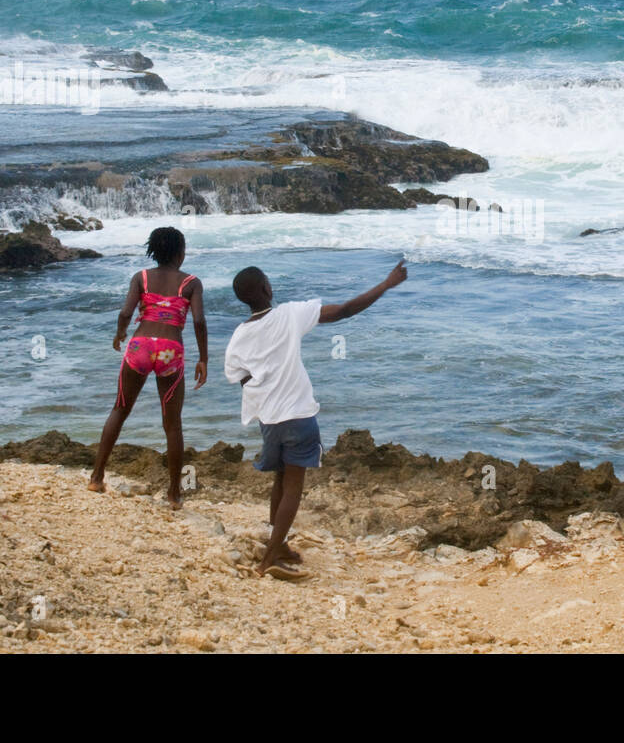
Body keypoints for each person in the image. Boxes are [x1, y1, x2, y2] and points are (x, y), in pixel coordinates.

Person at [224, 260, 407, 581]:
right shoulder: (290, 314)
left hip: (268, 420)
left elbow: (239, 376)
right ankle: (269, 558)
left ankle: (277, 545)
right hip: (298, 415)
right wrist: (386, 284)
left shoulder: (240, 334)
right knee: (294, 486)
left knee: (280, 479)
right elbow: (345, 310)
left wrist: (267, 390)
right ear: (268, 289)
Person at [88, 226, 208, 508]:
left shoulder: (140, 277)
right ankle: (174, 495)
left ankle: (96, 477)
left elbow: (126, 313)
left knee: (120, 409)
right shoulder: (191, 282)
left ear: (154, 251)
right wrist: (204, 358)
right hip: (170, 350)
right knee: (172, 424)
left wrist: (120, 334)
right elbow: (199, 322)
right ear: (180, 253)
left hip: (140, 346)